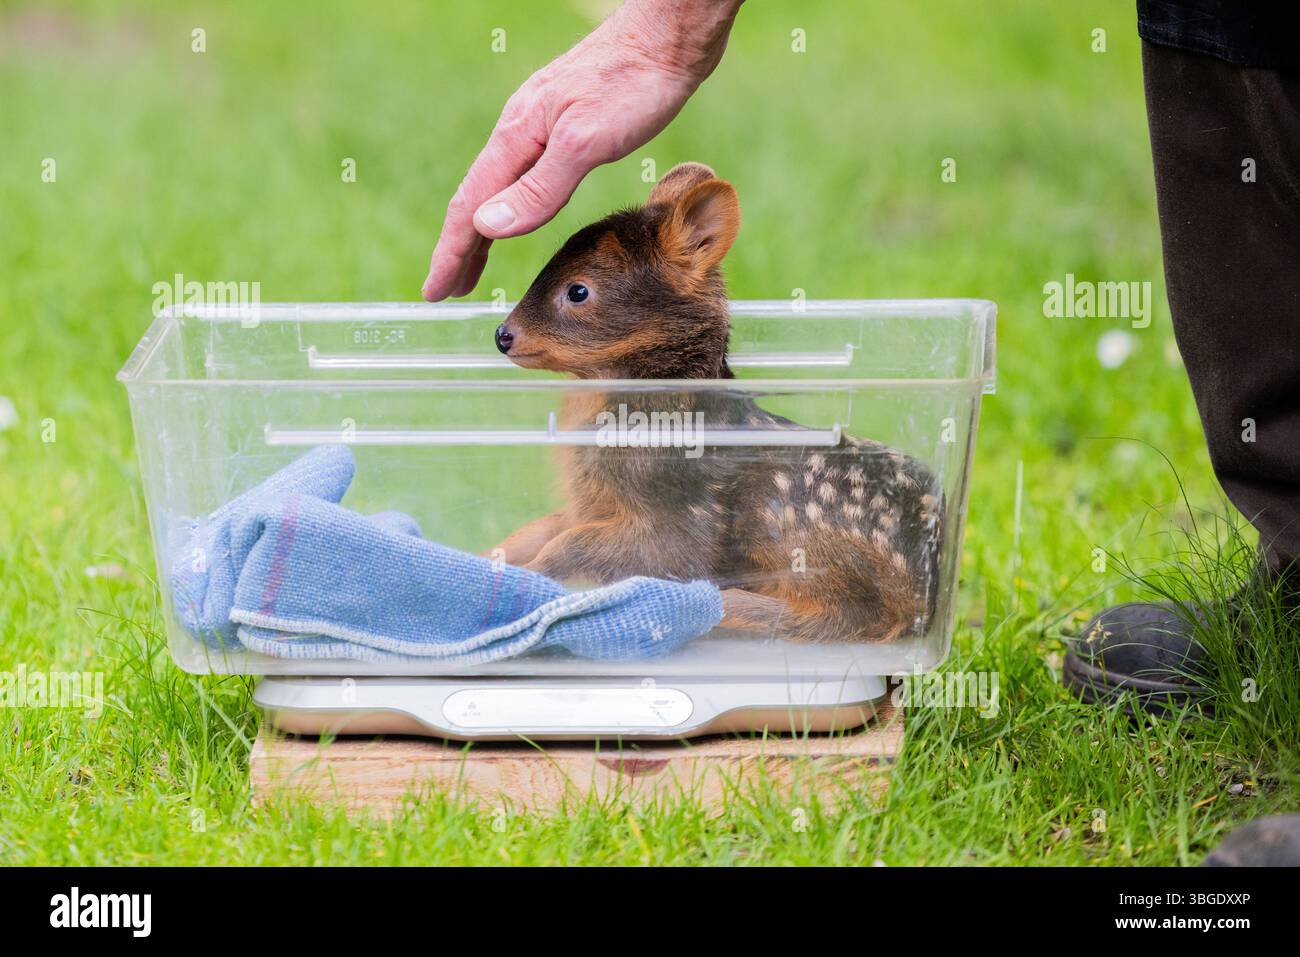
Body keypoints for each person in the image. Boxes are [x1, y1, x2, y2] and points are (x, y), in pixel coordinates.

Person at [421, 0, 1299, 863]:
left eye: (578, 298)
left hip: (850, 589)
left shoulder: (673, 441)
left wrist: (531, 576)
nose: (518, 331)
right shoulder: (649, 424)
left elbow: (656, 546)